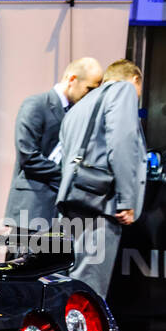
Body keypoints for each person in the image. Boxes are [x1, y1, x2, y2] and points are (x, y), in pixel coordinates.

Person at [56, 59, 147, 299]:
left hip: (74, 200)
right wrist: (126, 199)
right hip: (100, 203)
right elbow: (122, 143)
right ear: (135, 80)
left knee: (72, 279)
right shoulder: (123, 90)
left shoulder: (79, 106)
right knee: (89, 288)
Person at [3, 57, 103, 233]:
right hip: (33, 208)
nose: (91, 95)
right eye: (89, 89)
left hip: (60, 212)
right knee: (22, 260)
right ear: (72, 79)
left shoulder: (78, 114)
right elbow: (29, 156)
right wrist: (68, 178)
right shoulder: (36, 105)